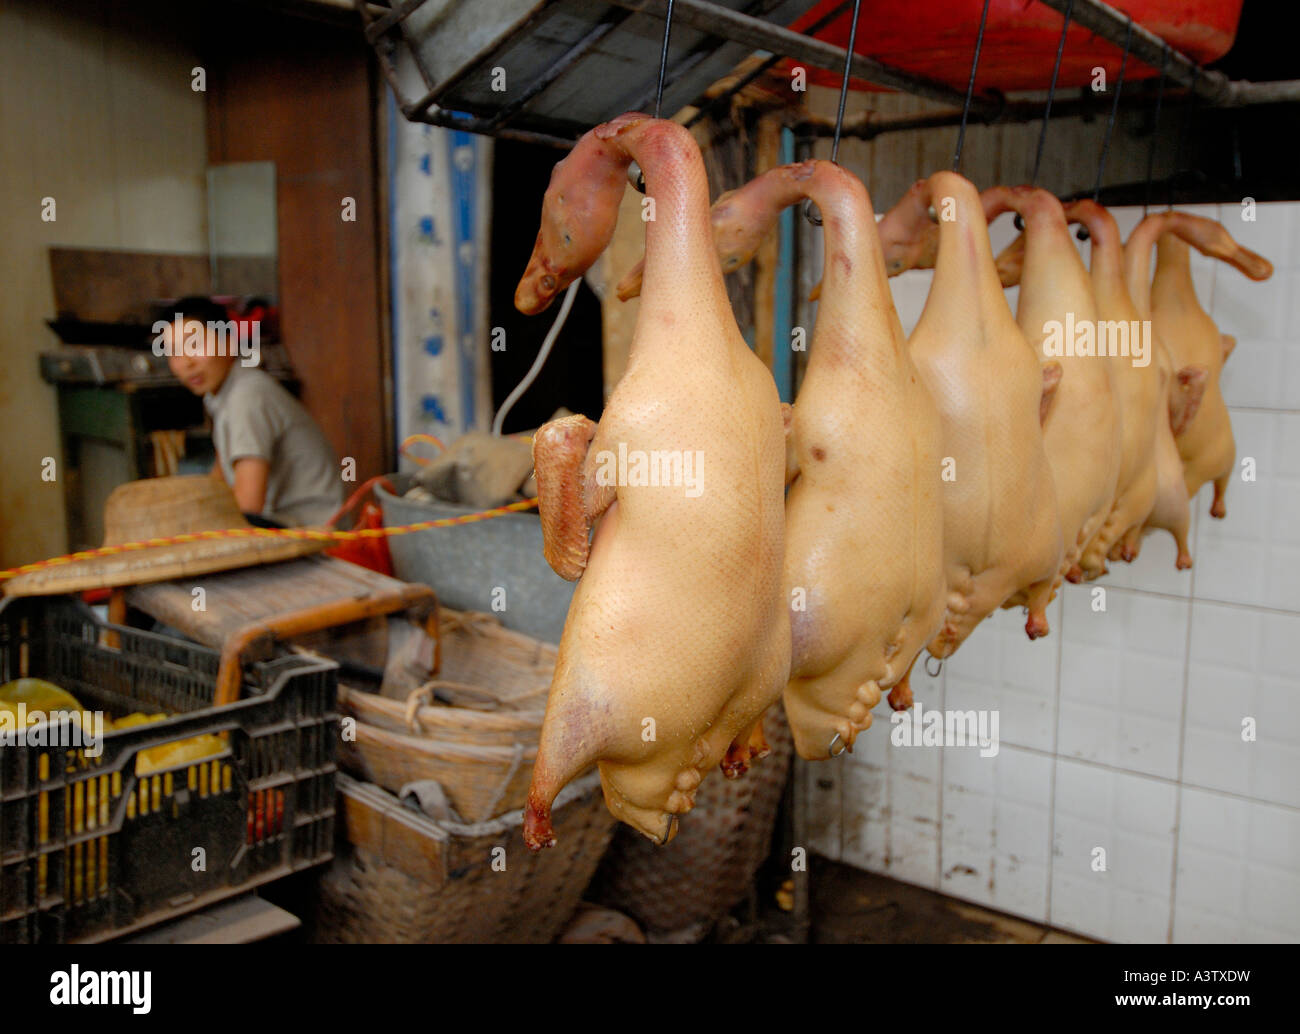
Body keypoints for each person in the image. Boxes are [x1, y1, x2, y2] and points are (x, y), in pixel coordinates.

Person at [160, 296, 343, 527]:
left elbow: (248, 506)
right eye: (174, 352)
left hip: (310, 533)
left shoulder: (246, 396)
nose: (186, 362)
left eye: (195, 345)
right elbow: (221, 476)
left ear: (229, 343)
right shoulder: (221, 394)